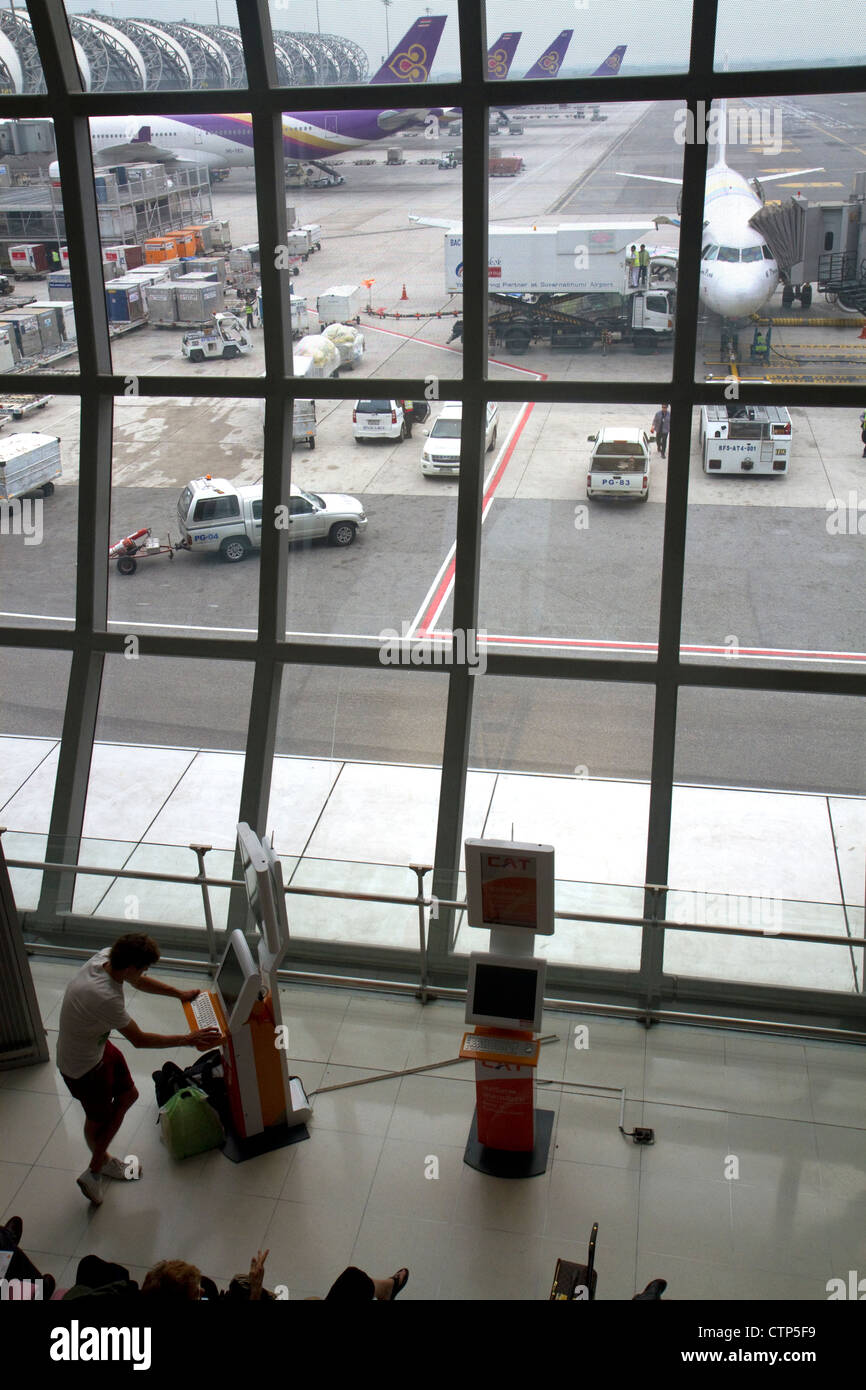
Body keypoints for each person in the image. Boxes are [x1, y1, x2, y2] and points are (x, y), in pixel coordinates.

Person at [56, 932, 221, 1206]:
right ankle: (95, 1171)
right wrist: (187, 1040)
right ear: (130, 967)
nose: (144, 973)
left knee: (129, 1096)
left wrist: (178, 994)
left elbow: (138, 982)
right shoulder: (105, 997)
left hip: (97, 1048)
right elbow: (140, 1040)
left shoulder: (106, 957)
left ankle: (101, 1160)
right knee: (97, 1119)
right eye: (143, 967)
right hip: (83, 1067)